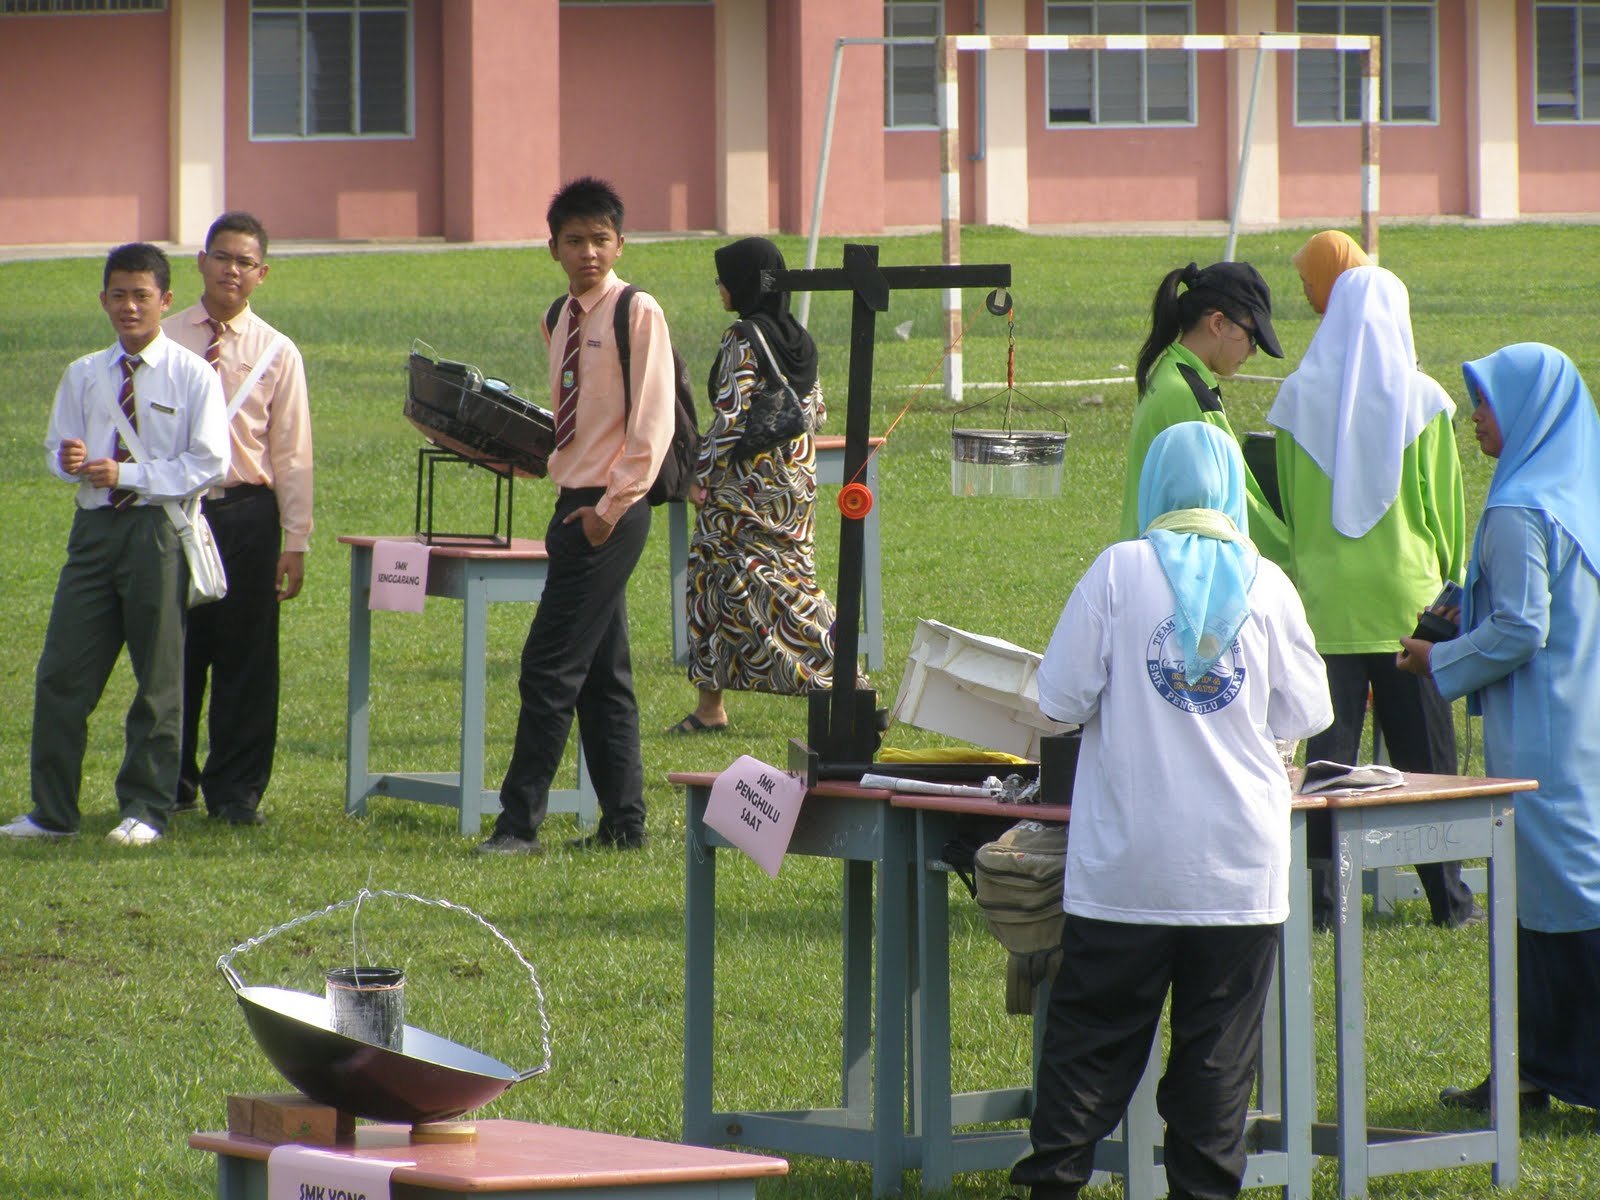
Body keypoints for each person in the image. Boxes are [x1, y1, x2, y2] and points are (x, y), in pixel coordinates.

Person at [1011, 422, 1332, 1200]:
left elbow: (1058, 701)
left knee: (1088, 1048)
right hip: (1239, 869)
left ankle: (1053, 1183)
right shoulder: (1269, 584)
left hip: (1129, 864)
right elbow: (1309, 711)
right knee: (1217, 1064)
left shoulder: (1119, 571)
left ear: (1155, 484)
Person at [1398, 343, 1600, 1118]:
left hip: (1542, 737)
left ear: (1526, 410)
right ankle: (1530, 1070)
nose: (1475, 417)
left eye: (1485, 402)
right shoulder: (1574, 494)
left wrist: (1438, 657)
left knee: (1561, 905)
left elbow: (1520, 628)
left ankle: (1554, 1069)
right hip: (1578, 724)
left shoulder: (1518, 508)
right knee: (1545, 901)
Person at [1268, 264, 1478, 928]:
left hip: (1324, 601)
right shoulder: (1424, 400)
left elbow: (1289, 502)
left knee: (1327, 767)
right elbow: (1444, 507)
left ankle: (1320, 905)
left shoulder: (1295, 397)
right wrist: (1449, 579)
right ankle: (1449, 899)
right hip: (1406, 603)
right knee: (1427, 762)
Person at [473, 176, 675, 856]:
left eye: (600, 239)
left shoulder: (635, 310)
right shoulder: (558, 316)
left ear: (620, 243)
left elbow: (651, 423)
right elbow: (573, 419)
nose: (588, 252)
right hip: (573, 502)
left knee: (549, 665)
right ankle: (624, 825)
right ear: (552, 247)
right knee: (600, 676)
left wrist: (607, 510)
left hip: (610, 507)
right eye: (574, 240)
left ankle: (517, 825)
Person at [4, 243, 229, 846]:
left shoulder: (192, 374)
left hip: (157, 531)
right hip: (93, 532)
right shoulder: (84, 373)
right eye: (119, 295)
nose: (130, 306)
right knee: (61, 674)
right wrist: (68, 460)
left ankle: (146, 808)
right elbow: (57, 448)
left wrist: (127, 474)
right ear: (103, 300)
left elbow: (209, 462)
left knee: (158, 678)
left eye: (142, 295)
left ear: (166, 300)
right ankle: (52, 812)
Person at [163, 211, 313, 827]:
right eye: (222, 257)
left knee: (246, 656)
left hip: (249, 514)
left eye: (245, 262)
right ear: (201, 261)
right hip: (174, 511)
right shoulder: (164, 338)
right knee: (173, 649)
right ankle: (168, 781)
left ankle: (235, 792)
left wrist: (296, 539)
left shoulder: (277, 351)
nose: (232, 270)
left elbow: (292, 452)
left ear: (262, 273)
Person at [671, 237, 836, 734]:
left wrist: (698, 475)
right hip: (795, 480)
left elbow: (729, 420)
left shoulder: (742, 338)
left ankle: (840, 675)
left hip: (744, 488)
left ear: (745, 283)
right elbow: (816, 412)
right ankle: (713, 707)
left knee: (715, 583)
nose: (720, 287)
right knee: (790, 579)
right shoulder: (799, 338)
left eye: (724, 278)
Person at [1119, 260, 1290, 568]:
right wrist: (1293, 558)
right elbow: (1232, 501)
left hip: (1150, 557)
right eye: (1252, 337)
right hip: (1173, 567)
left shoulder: (1169, 372)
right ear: (1218, 323)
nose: (1252, 352)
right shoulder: (1188, 395)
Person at [1290, 229, 1372, 316]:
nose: (1305, 290)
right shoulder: (1369, 307)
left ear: (1327, 276)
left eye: (1307, 280)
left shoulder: (1353, 321)